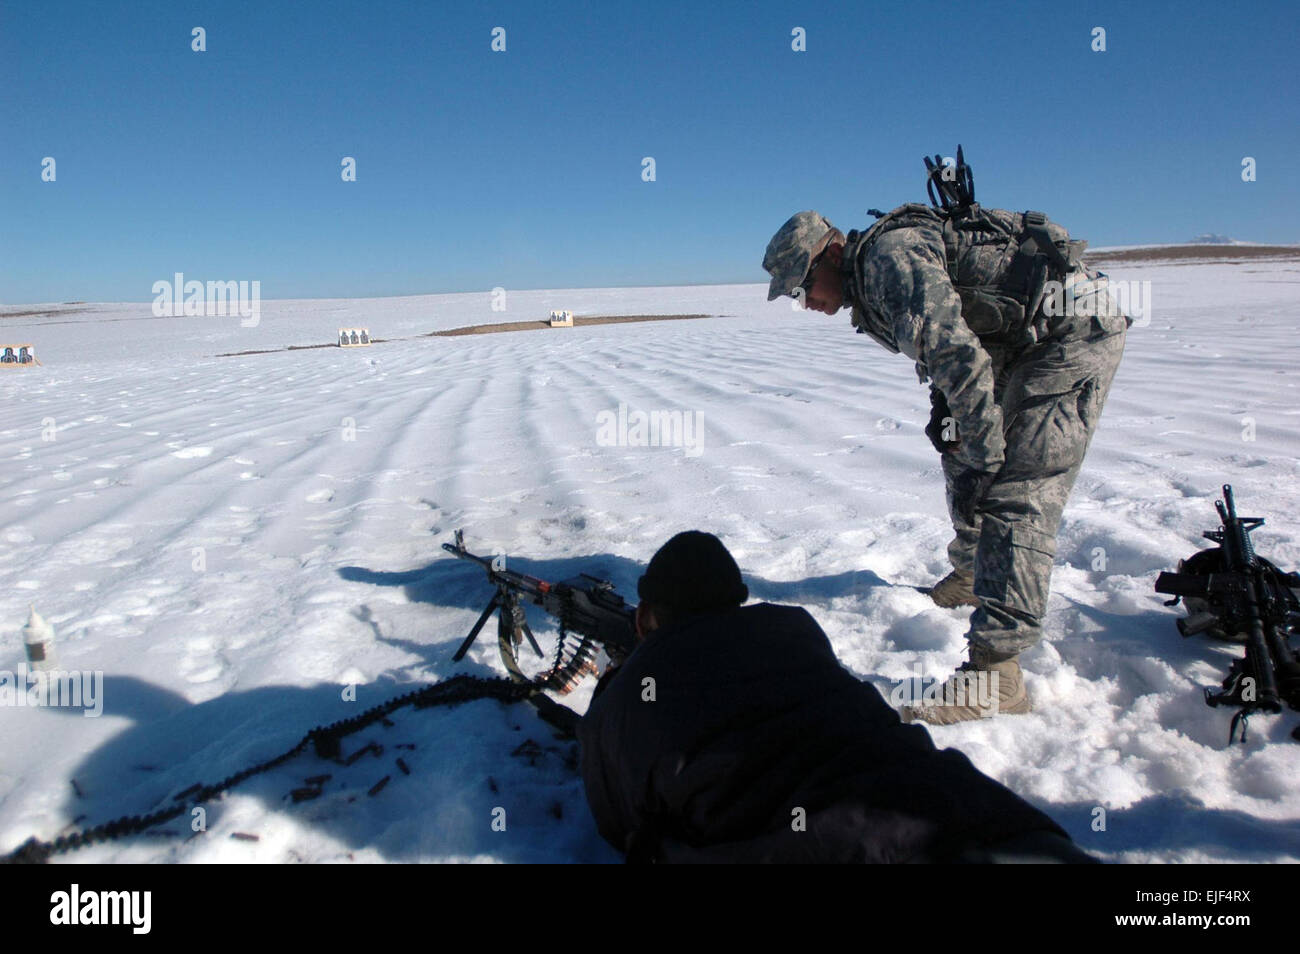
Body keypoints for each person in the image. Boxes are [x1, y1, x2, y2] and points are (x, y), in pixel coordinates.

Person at [761, 190, 1129, 724]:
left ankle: (996, 676)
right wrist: (954, 422)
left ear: (832, 255)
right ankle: (973, 575)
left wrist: (986, 448)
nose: (806, 302)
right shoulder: (867, 281)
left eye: (802, 286)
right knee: (961, 451)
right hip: (1016, 339)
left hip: (1070, 332)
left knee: (1015, 490)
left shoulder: (889, 260)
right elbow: (950, 347)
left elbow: (958, 353)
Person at [578, 530, 1097, 863]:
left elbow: (614, 820)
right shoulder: (793, 629)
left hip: (833, 845)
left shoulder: (627, 700)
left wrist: (615, 682)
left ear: (645, 618)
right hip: (965, 805)